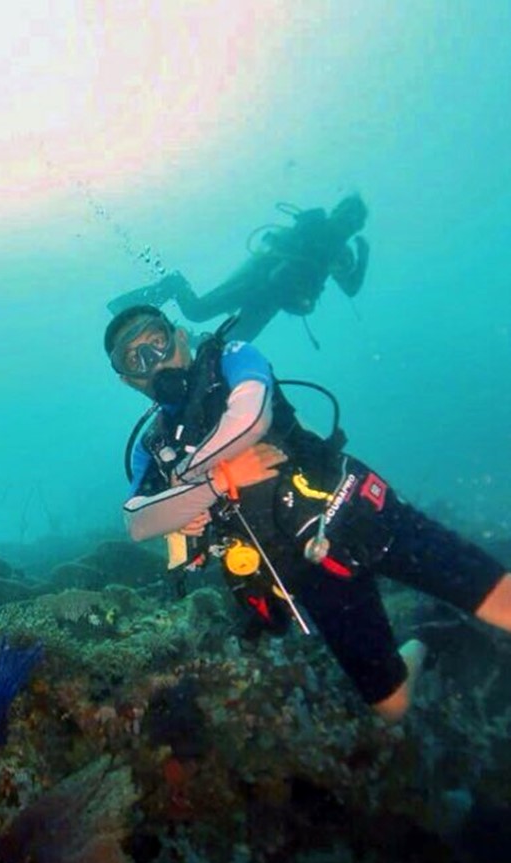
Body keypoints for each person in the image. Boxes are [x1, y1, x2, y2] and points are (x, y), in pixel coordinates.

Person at [105, 305, 511, 722]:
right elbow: (137, 522)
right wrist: (215, 485)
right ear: (126, 380)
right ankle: (430, 630)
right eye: (134, 358)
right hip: (303, 566)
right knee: (391, 703)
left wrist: (186, 484)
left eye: (156, 342)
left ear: (180, 336)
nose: (154, 361)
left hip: (356, 509)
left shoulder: (231, 357)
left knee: (503, 603)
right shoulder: (149, 447)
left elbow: (249, 419)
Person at [107, 195, 370, 344]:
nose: (347, 221)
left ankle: (186, 340)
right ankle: (166, 289)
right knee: (197, 311)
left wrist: (363, 256)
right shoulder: (316, 227)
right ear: (336, 211)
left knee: (227, 346)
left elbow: (351, 288)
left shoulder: (340, 251)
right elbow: (349, 285)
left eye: (353, 219)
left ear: (356, 226)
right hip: (255, 283)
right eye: (346, 213)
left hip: (274, 301)